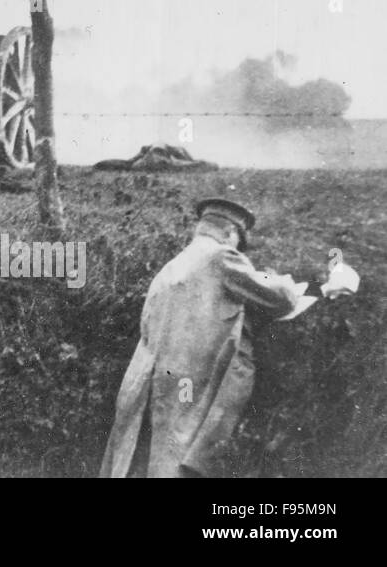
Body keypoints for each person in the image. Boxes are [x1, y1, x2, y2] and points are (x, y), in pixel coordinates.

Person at [100, 198, 358, 478]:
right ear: (229, 233)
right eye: (238, 240)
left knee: (140, 459)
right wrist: (310, 284)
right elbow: (278, 298)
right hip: (188, 383)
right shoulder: (221, 257)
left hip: (148, 380)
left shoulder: (171, 268)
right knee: (173, 460)